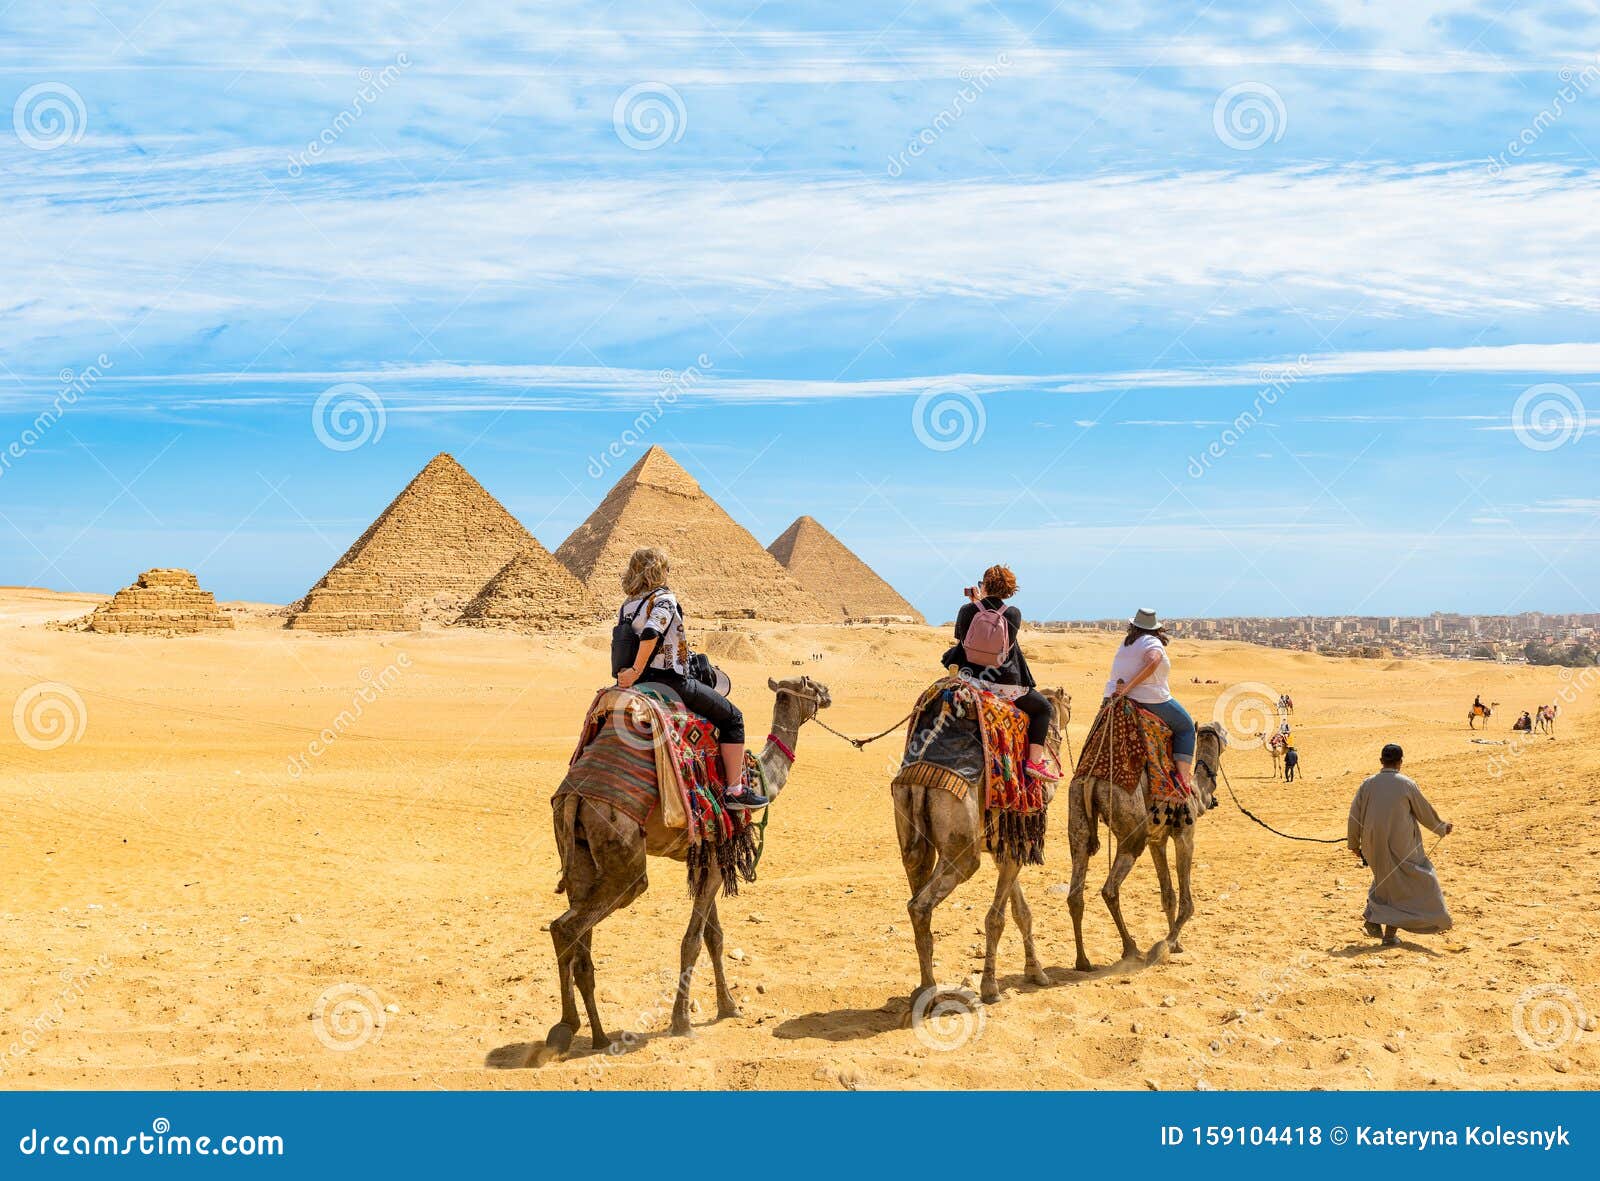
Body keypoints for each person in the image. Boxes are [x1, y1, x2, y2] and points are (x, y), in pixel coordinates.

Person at [613, 547, 767, 810]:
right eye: (666, 568)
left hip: (634, 682)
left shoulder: (628, 605)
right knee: (733, 718)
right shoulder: (663, 598)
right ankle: (734, 791)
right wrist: (638, 670)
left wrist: (629, 675)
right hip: (669, 681)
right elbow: (652, 632)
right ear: (658, 571)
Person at [941, 564, 1057, 783]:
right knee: (1044, 708)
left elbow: (962, 639)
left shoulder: (967, 610)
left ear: (983, 585)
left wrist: (975, 604)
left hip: (969, 680)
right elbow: (1002, 644)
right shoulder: (1013, 613)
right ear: (1009, 589)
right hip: (1004, 684)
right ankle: (1035, 762)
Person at [1346, 744, 1454, 946]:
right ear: (1400, 762)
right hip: (1402, 845)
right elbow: (1424, 812)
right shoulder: (1406, 784)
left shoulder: (1367, 784)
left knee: (1387, 881)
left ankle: (1378, 924)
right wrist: (1442, 827)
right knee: (1417, 882)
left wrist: (1354, 843)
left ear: (1381, 761)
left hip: (1372, 845)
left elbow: (1354, 815)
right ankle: (1383, 927)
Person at [1104, 608, 1197, 793]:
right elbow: (1153, 661)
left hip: (1110, 699)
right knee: (1186, 727)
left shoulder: (1126, 643)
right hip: (1149, 698)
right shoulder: (1151, 642)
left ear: (1134, 626)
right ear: (1156, 628)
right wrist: (1129, 687)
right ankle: (1183, 779)